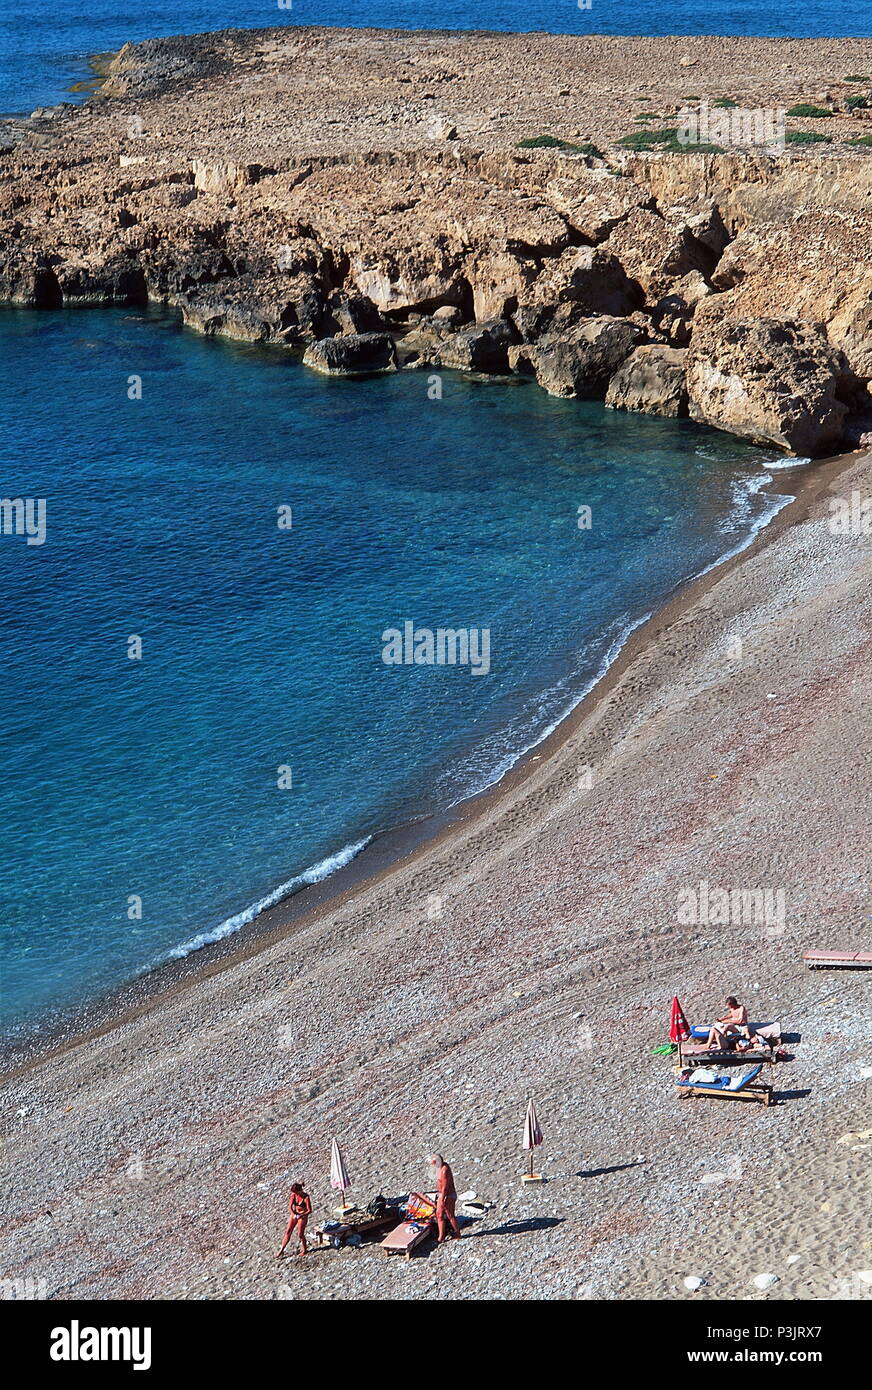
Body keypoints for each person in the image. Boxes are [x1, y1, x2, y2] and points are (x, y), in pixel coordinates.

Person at [430, 1154, 461, 1244]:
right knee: (439, 1215)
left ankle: (457, 1233)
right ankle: (441, 1236)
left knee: (450, 1215)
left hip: (448, 1195)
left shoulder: (445, 1170)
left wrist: (443, 1198)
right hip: (441, 1194)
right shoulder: (440, 1168)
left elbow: (445, 1186)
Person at [276, 1182, 312, 1258]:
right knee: (288, 1231)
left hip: (302, 1216)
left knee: (300, 1234)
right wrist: (293, 1214)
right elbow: (290, 1207)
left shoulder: (306, 1198)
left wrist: (302, 1215)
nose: (295, 1194)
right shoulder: (293, 1196)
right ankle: (281, 1250)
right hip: (295, 1214)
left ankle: (304, 1249)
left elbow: (309, 1210)